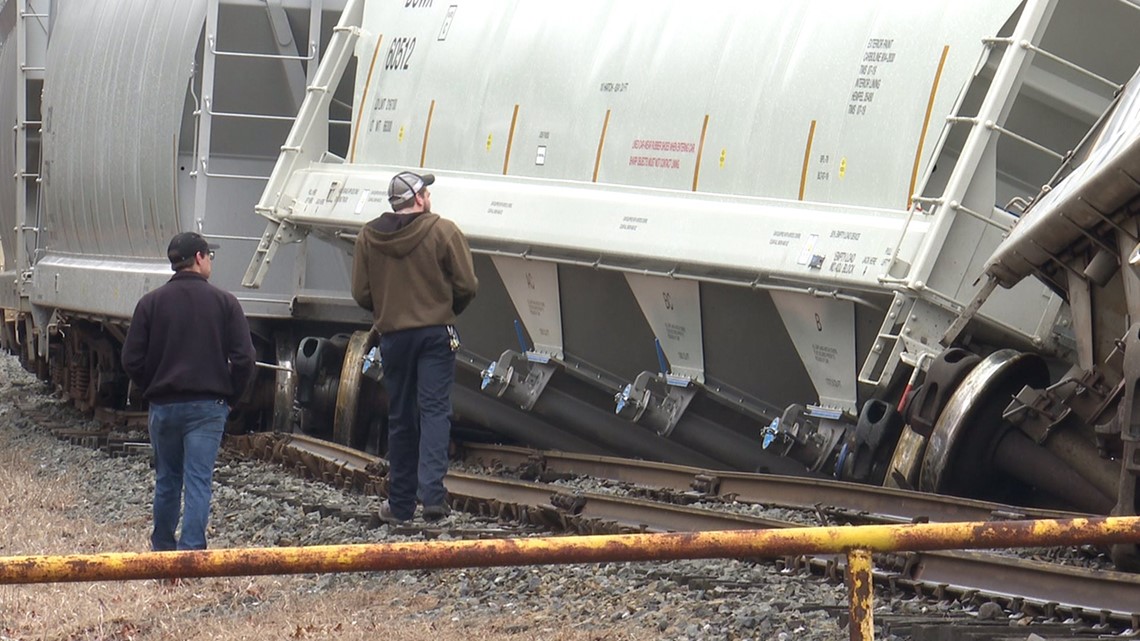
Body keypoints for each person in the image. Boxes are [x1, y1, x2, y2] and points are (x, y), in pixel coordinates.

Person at [351, 171, 478, 523]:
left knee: (401, 417)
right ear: (419, 199)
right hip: (436, 334)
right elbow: (467, 284)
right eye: (426, 192)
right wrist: (445, 308)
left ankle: (401, 504)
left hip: (393, 336)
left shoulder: (368, 237)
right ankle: (434, 498)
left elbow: (361, 293)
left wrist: (388, 308)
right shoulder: (444, 231)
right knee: (435, 411)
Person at [121, 232, 256, 550]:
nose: (210, 261)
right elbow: (245, 358)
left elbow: (131, 359)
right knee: (198, 480)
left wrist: (153, 387)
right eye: (209, 255)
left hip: (164, 406)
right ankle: (192, 552)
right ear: (199, 257)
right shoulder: (225, 303)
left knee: (167, 480)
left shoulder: (150, 303)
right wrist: (230, 398)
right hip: (208, 406)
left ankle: (163, 550)